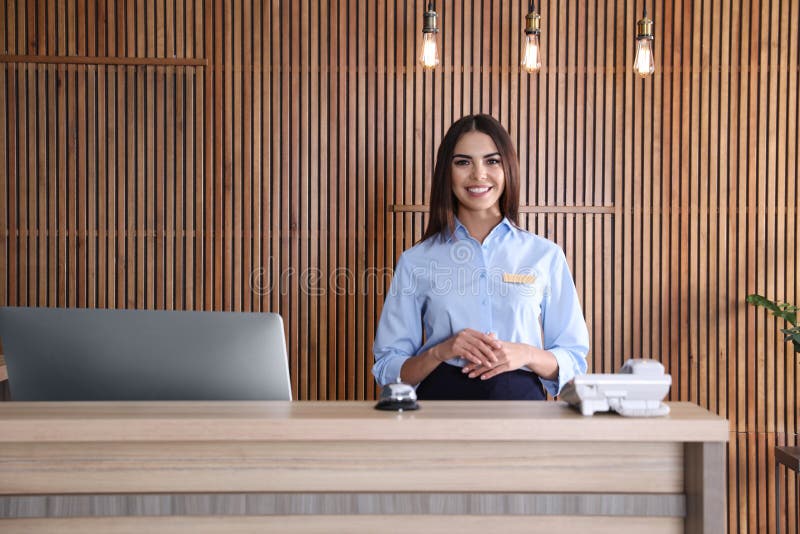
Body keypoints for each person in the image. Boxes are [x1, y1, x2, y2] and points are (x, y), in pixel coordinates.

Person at [372, 114, 589, 400]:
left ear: (508, 167)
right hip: (440, 413)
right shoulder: (416, 261)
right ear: (446, 173)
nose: (478, 174)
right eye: (463, 162)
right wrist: (441, 350)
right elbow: (388, 368)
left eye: (492, 161)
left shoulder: (544, 255)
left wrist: (525, 353)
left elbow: (574, 363)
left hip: (525, 414)